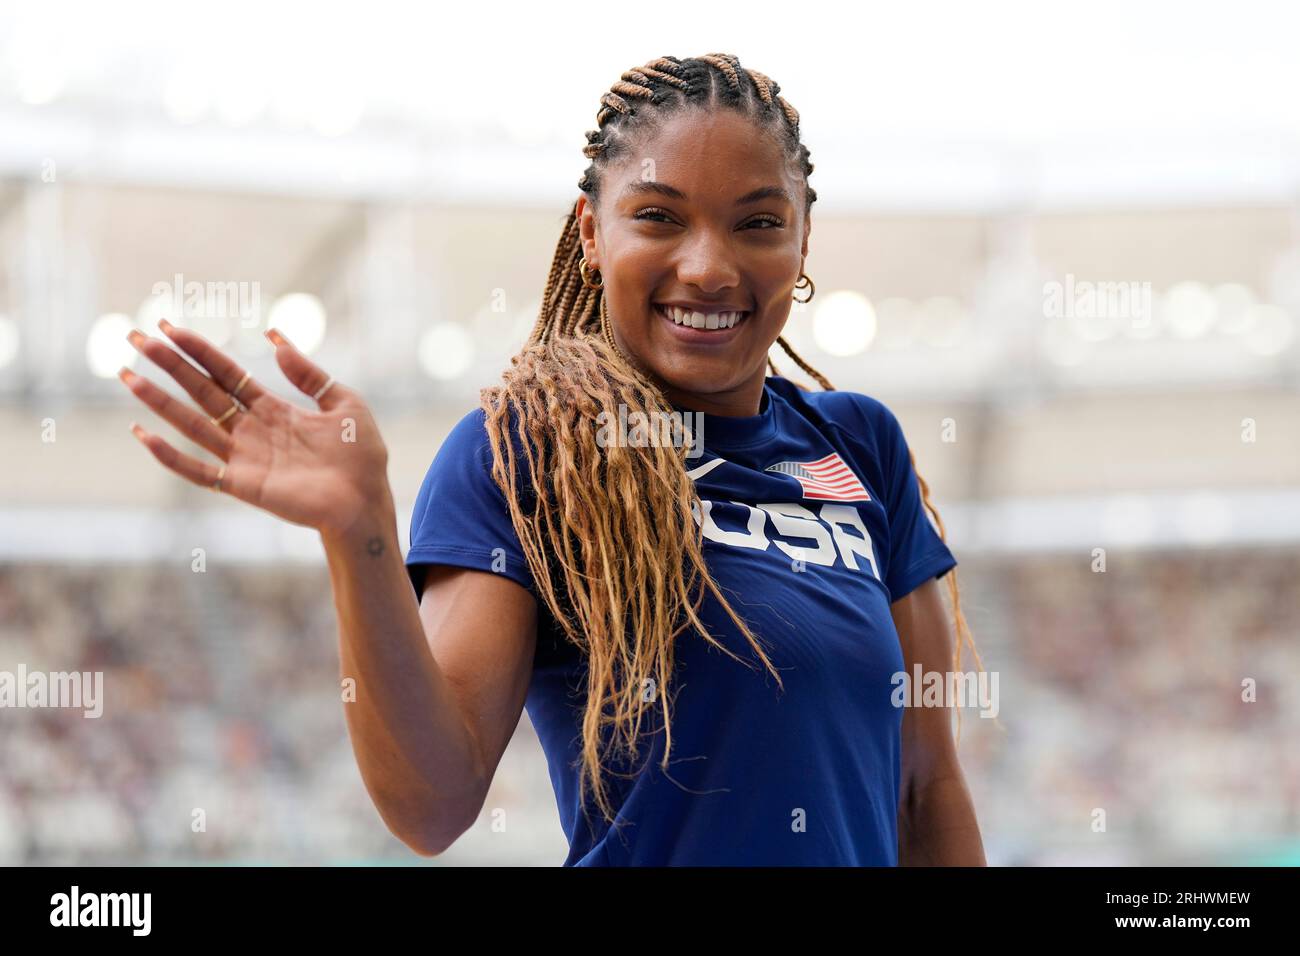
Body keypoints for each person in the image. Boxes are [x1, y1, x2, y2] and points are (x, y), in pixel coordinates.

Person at [119, 52, 986, 866]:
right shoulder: (529, 454)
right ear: (591, 232)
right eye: (658, 217)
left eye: (758, 222)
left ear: (801, 241)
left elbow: (926, 788)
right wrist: (361, 533)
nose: (709, 267)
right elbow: (431, 803)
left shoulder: (860, 445)